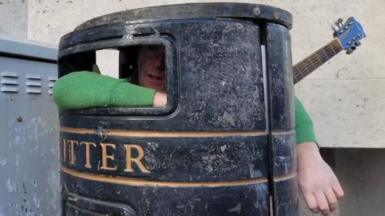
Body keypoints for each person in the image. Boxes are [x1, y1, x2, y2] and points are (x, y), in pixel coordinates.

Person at [53, 45, 344, 215]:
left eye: (171, 53)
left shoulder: (209, 93)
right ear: (137, 55)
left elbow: (276, 93)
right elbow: (67, 87)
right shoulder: (122, 89)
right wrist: (166, 102)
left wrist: (308, 153)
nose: (160, 63)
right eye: (152, 49)